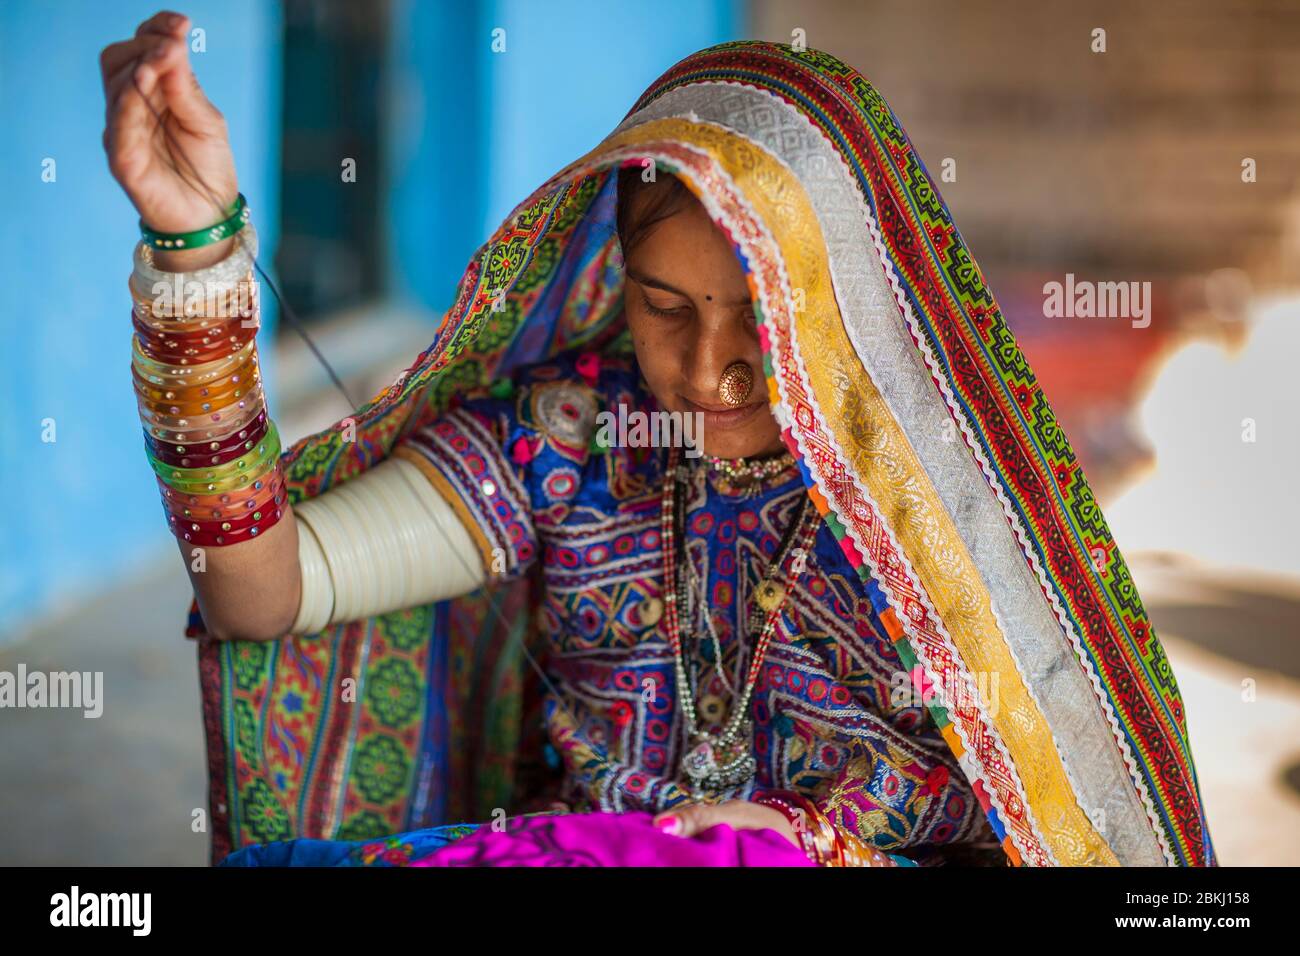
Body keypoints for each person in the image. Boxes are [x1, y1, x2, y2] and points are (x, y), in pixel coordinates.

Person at [101, 12, 1216, 867]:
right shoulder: (570, 437)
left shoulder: (950, 497)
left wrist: (796, 836)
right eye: (663, 306)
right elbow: (258, 592)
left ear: (850, 304)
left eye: (761, 316)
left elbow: (1061, 812)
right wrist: (191, 249)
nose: (706, 367)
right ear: (611, 281)